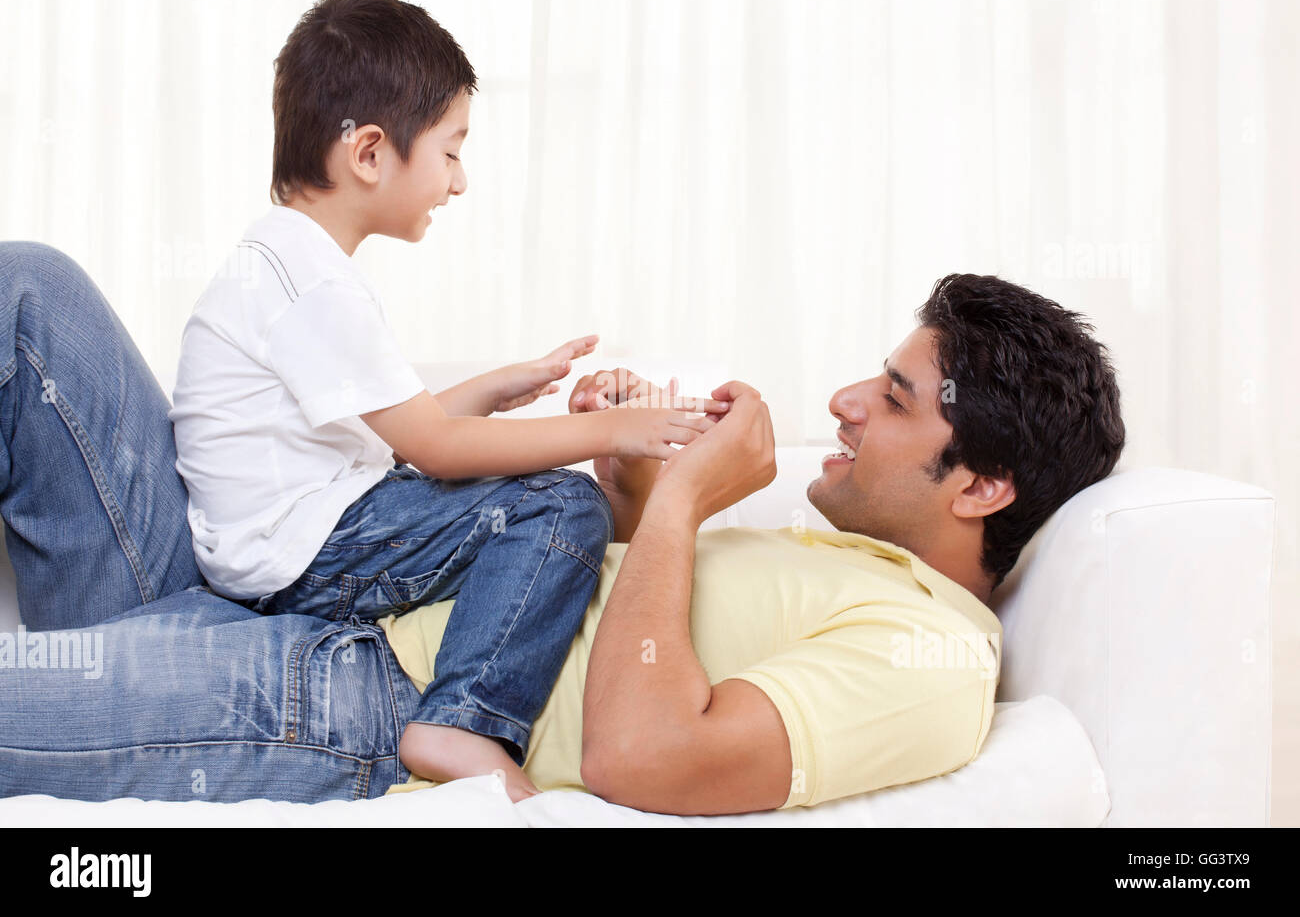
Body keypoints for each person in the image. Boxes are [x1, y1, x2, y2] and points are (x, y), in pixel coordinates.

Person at [0, 240, 1124, 812]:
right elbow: (639, 619)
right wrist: (625, 480)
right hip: (313, 588)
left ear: (981, 485)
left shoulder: (927, 662)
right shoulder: (841, 556)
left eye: (891, 397)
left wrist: (681, 499)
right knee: (29, 295)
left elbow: (638, 749)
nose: (842, 400)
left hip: (339, 699)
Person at [165, 0, 724, 802]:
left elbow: (396, 437)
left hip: (299, 531)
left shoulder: (284, 262)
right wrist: (616, 433)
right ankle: (465, 720)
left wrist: (499, 385)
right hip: (303, 555)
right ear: (369, 155)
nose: (458, 182)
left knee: (499, 490)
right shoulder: (313, 283)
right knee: (562, 507)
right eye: (451, 151)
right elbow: (428, 447)